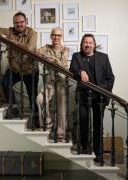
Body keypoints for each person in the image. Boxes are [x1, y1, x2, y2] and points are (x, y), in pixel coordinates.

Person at [69, 34, 115, 163]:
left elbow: (110, 77)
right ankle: (84, 147)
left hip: (99, 97)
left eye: (90, 42)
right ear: (82, 44)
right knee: (83, 120)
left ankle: (98, 153)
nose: (87, 45)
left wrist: (105, 92)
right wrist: (80, 71)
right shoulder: (76, 56)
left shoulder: (103, 57)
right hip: (84, 95)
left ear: (94, 45)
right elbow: (72, 67)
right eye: (85, 42)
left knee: (98, 125)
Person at [0, 12, 39, 126]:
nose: (19, 25)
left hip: (30, 70)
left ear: (26, 22)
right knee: (5, 83)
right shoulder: (10, 31)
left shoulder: (33, 34)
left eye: (21, 22)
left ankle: (35, 117)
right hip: (15, 68)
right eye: (16, 22)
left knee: (32, 94)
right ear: (14, 23)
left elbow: (29, 49)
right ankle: (14, 108)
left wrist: (12, 42)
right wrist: (3, 36)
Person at [36, 27, 69, 142]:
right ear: (51, 36)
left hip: (61, 81)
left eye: (59, 35)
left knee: (62, 109)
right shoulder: (46, 47)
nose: (56, 37)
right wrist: (44, 56)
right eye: (54, 35)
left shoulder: (66, 50)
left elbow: (63, 65)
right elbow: (35, 52)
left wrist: (53, 59)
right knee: (40, 99)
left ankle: (61, 135)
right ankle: (48, 124)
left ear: (62, 37)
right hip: (50, 81)